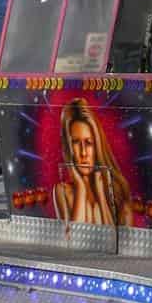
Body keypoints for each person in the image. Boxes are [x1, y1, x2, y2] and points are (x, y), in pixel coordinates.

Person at [52, 97, 131, 227]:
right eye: (76, 143)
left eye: (88, 143)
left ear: (97, 145)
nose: (83, 153)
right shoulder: (62, 191)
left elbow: (112, 239)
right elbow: (74, 238)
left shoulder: (117, 190)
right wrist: (81, 189)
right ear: (68, 147)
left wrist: (101, 197)